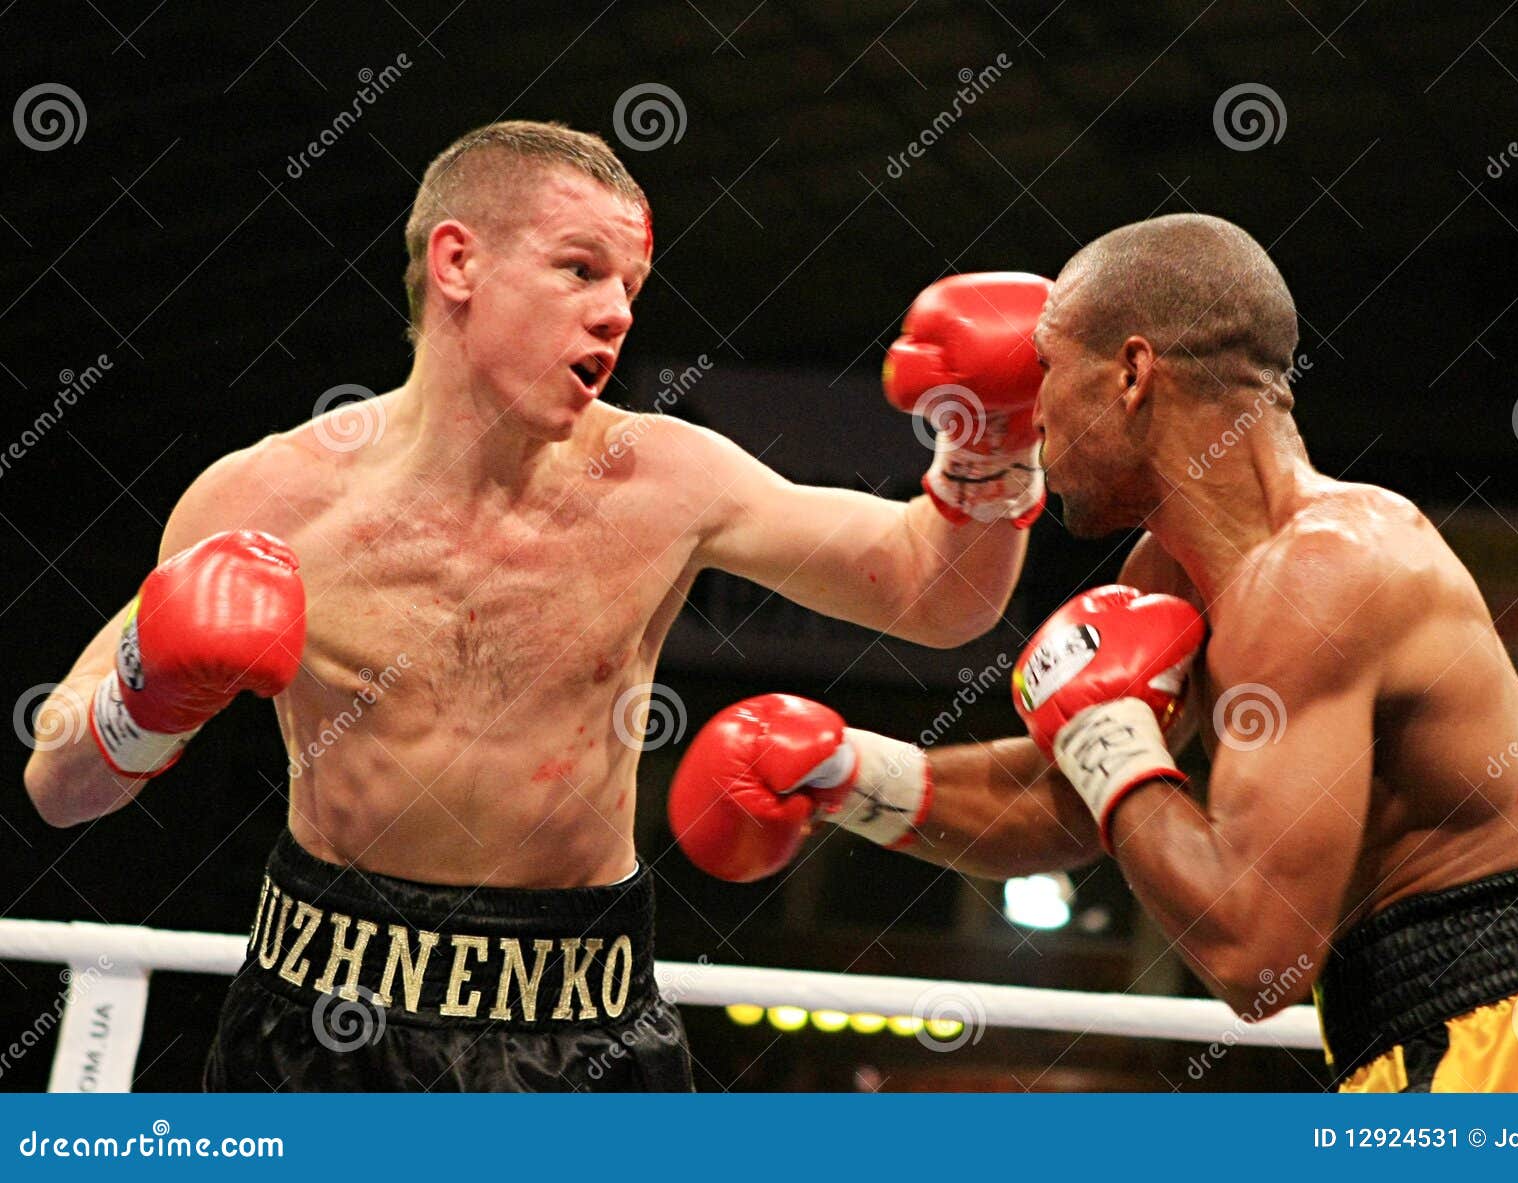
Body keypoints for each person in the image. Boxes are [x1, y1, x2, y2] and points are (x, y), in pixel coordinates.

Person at [21, 120, 1050, 1092]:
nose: (618, 312)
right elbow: (60, 782)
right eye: (580, 269)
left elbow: (938, 593)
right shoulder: (266, 498)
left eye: (632, 286)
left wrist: (992, 443)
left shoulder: (666, 479)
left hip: (582, 1019)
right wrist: (145, 691)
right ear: (460, 263)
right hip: (324, 1012)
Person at [668, 213, 1518, 1093]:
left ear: (1131, 373)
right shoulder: (1180, 569)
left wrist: (1107, 735)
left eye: (1045, 370)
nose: (1028, 414)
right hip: (1421, 1035)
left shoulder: (1328, 570)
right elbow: (1074, 799)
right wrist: (840, 773)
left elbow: (1257, 956)